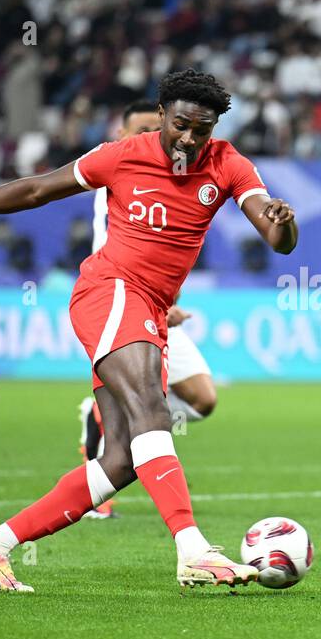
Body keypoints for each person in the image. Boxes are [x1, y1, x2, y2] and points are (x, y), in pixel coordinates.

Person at [0, 69, 298, 592]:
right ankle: (193, 550)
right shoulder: (122, 154)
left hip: (151, 310)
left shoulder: (228, 164)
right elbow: (36, 189)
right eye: (180, 124)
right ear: (161, 115)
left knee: (120, 461)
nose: (188, 138)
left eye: (200, 130)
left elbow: (277, 238)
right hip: (110, 291)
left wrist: (283, 219)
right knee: (152, 412)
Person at [78, 101, 220, 520]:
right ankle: (172, 524)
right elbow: (116, 251)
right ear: (121, 136)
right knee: (146, 414)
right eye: (137, 130)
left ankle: (107, 413)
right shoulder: (116, 176)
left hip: (158, 307)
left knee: (202, 398)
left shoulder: (172, 174)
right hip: (121, 301)